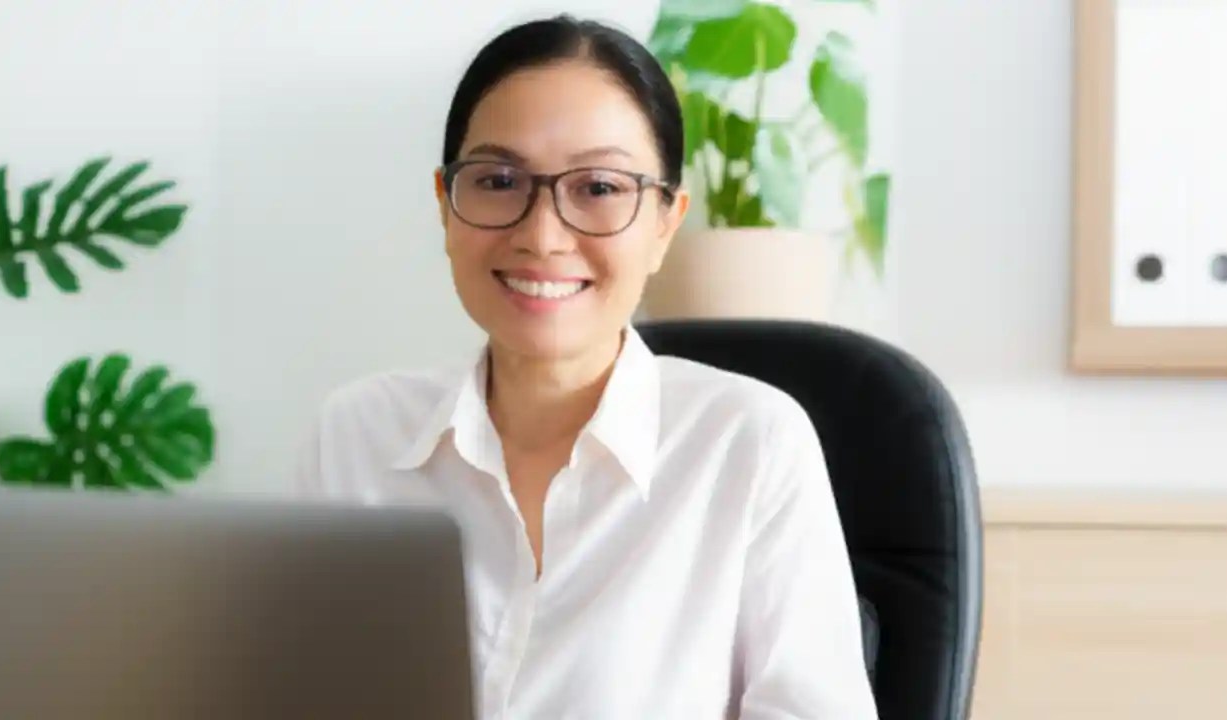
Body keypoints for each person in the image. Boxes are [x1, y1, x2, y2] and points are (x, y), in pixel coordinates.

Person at [295, 14, 878, 720]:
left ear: (665, 222)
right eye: (499, 179)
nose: (542, 236)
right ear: (446, 207)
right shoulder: (357, 438)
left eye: (599, 188)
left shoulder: (748, 445)